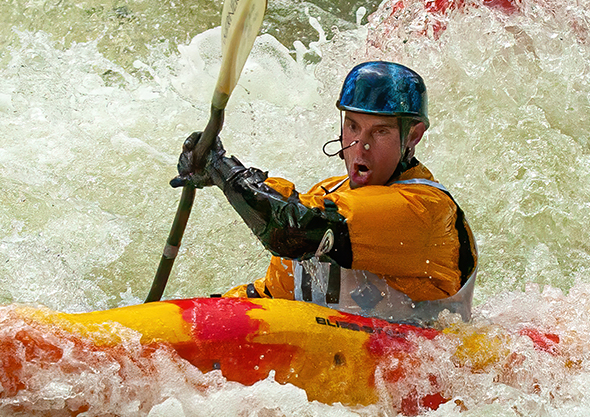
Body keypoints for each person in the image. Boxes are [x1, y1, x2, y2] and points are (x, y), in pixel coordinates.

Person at [170, 61, 477, 324]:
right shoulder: (327, 193)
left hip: (421, 365)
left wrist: (224, 171)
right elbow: (272, 294)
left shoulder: (424, 209)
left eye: (380, 131)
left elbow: (291, 229)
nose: (360, 147)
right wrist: (196, 314)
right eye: (353, 126)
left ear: (413, 135)